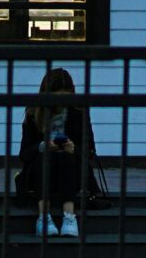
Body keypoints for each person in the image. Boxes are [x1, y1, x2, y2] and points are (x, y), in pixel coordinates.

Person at [17, 67, 102, 238]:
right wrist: (43, 146)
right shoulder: (34, 112)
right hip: (41, 171)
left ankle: (69, 216)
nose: (61, 102)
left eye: (65, 96)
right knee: (46, 157)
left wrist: (74, 148)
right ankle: (44, 217)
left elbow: (89, 150)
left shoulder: (78, 112)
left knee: (65, 156)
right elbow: (24, 153)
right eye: (57, 97)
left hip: (70, 169)